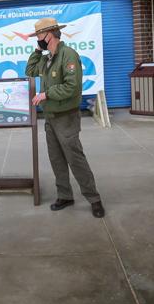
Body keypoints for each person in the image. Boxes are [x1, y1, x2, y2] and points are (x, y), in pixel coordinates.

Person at [25, 17, 105, 218]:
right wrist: (37, 51)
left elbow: (72, 87)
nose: (38, 39)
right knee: (57, 159)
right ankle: (65, 195)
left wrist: (46, 94)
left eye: (39, 36)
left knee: (75, 159)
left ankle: (94, 198)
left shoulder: (68, 55)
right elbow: (29, 71)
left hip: (66, 117)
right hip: (51, 117)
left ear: (49, 35)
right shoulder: (47, 58)